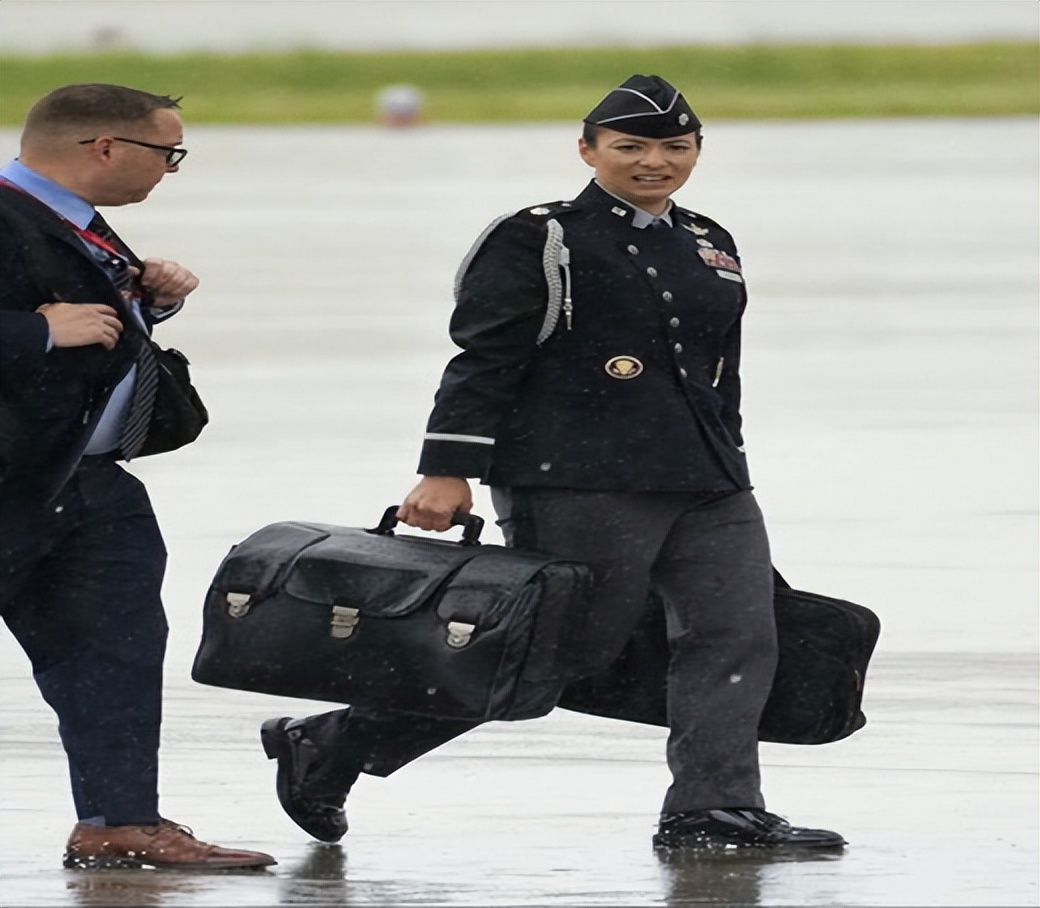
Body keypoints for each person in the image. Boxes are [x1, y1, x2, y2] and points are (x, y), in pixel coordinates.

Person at [260, 74, 845, 851]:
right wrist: (447, 467)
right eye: (630, 147)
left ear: (697, 151)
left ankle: (709, 808)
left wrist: (728, 455)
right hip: (577, 473)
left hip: (706, 477)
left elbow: (716, 369)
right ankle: (333, 745)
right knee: (553, 650)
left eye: (675, 147)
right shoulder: (541, 237)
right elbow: (484, 357)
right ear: (588, 149)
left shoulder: (709, 241)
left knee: (738, 635)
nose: (654, 162)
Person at [0, 83, 275, 870]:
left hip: (87, 485)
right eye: (169, 153)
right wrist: (34, 334)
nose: (173, 169)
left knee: (114, 652)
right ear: (105, 148)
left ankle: (120, 822)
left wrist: (151, 298)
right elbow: (47, 326)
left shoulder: (72, 223)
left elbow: (95, 327)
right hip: (11, 483)